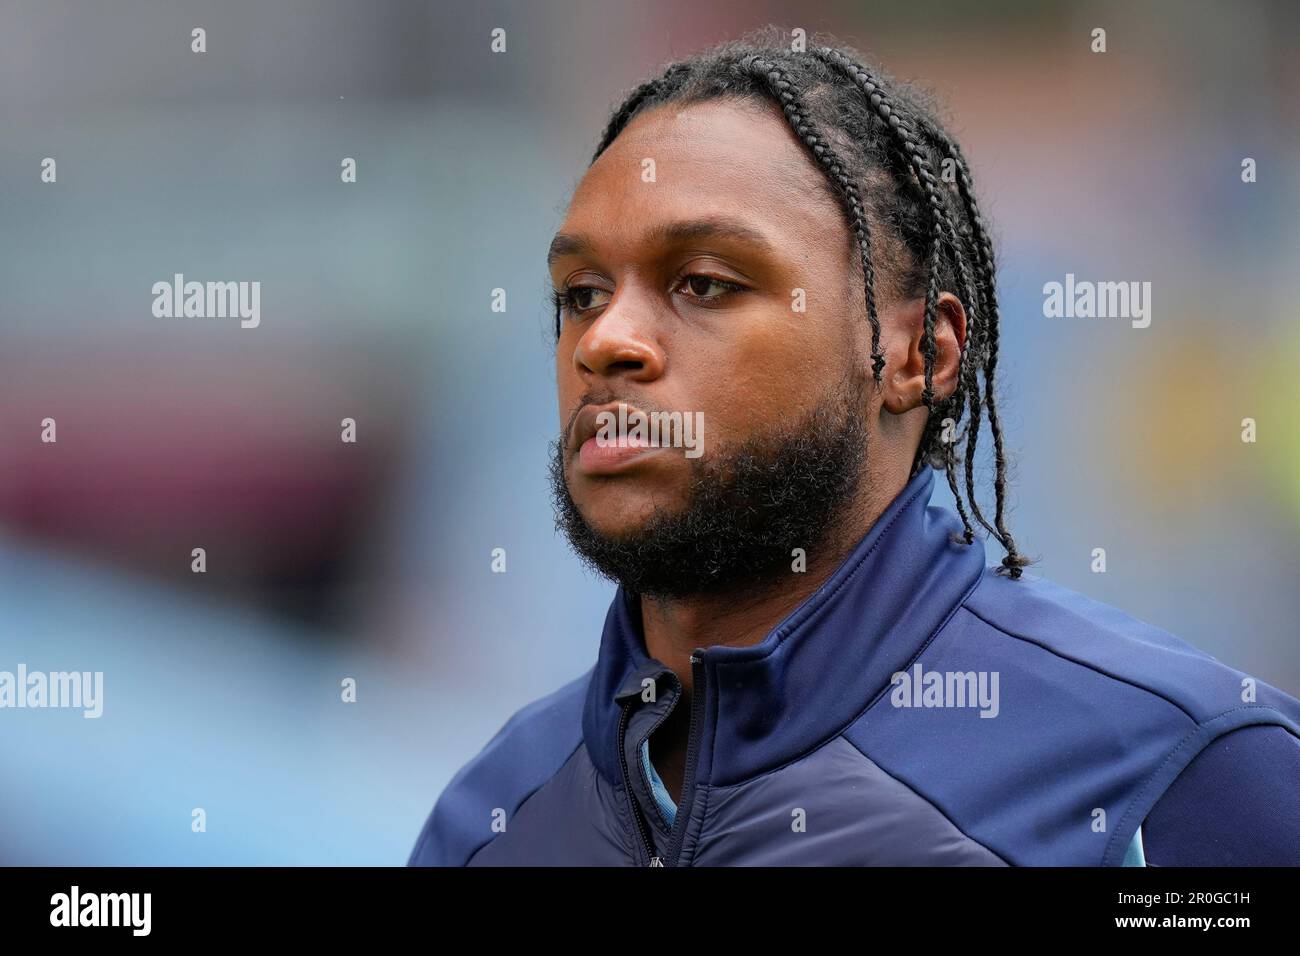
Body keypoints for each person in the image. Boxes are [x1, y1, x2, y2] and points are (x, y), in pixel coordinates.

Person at [409, 30, 1300, 866]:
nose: (606, 341)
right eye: (583, 293)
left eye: (706, 284)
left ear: (919, 354)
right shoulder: (490, 816)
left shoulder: (1179, 776)